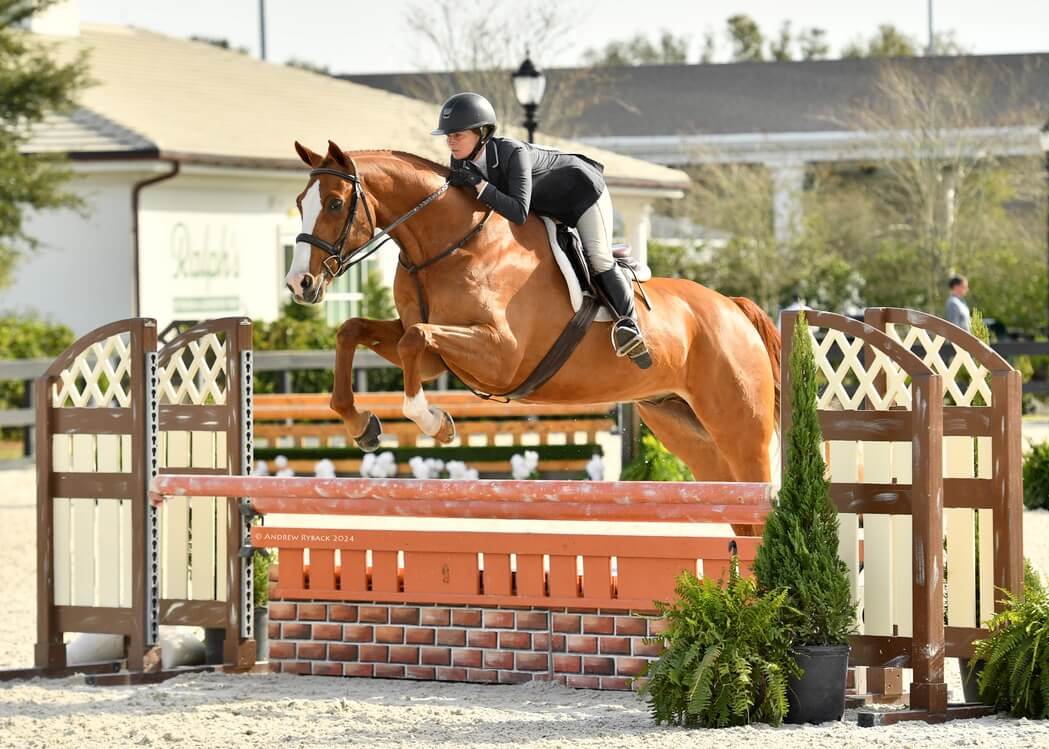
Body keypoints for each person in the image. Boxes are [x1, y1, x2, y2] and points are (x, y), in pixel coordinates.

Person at [431, 92, 650, 369]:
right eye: (448, 136)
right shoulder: (461, 163)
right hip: (546, 208)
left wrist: (481, 186)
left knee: (598, 257)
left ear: (482, 133)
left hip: (581, 194)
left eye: (457, 135)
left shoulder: (512, 153)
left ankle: (629, 326)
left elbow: (519, 212)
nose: (451, 141)